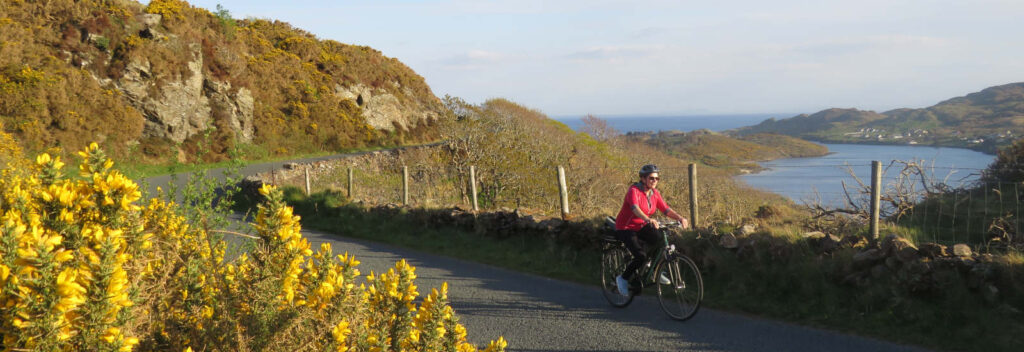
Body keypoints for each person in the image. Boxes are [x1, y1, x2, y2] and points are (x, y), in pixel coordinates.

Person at [614, 164, 689, 296]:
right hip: (626, 228)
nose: (655, 181)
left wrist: (680, 218)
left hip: (641, 226)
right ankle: (623, 278)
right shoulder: (634, 191)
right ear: (643, 179)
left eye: (657, 178)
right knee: (640, 256)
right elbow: (635, 209)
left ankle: (653, 270)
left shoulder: (654, 193)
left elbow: (665, 209)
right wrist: (648, 219)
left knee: (659, 239)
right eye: (652, 178)